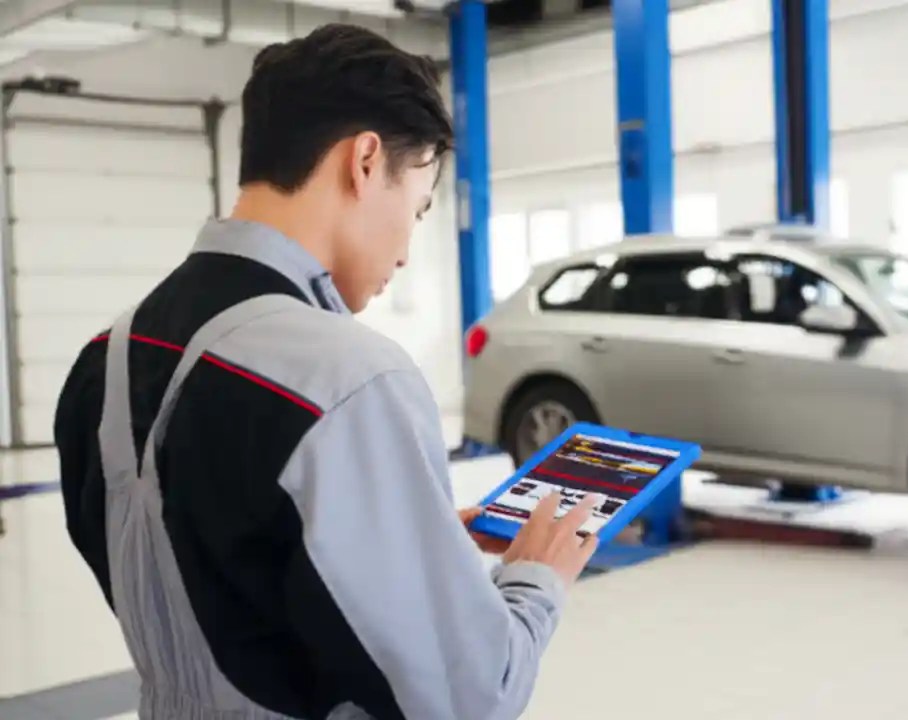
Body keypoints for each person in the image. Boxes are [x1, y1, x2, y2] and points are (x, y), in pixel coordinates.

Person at [54, 23, 599, 720]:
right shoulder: (351, 378)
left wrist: (397, 545)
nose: (406, 250)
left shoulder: (106, 356)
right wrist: (535, 578)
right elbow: (468, 699)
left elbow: (220, 578)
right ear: (365, 161)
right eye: (419, 207)